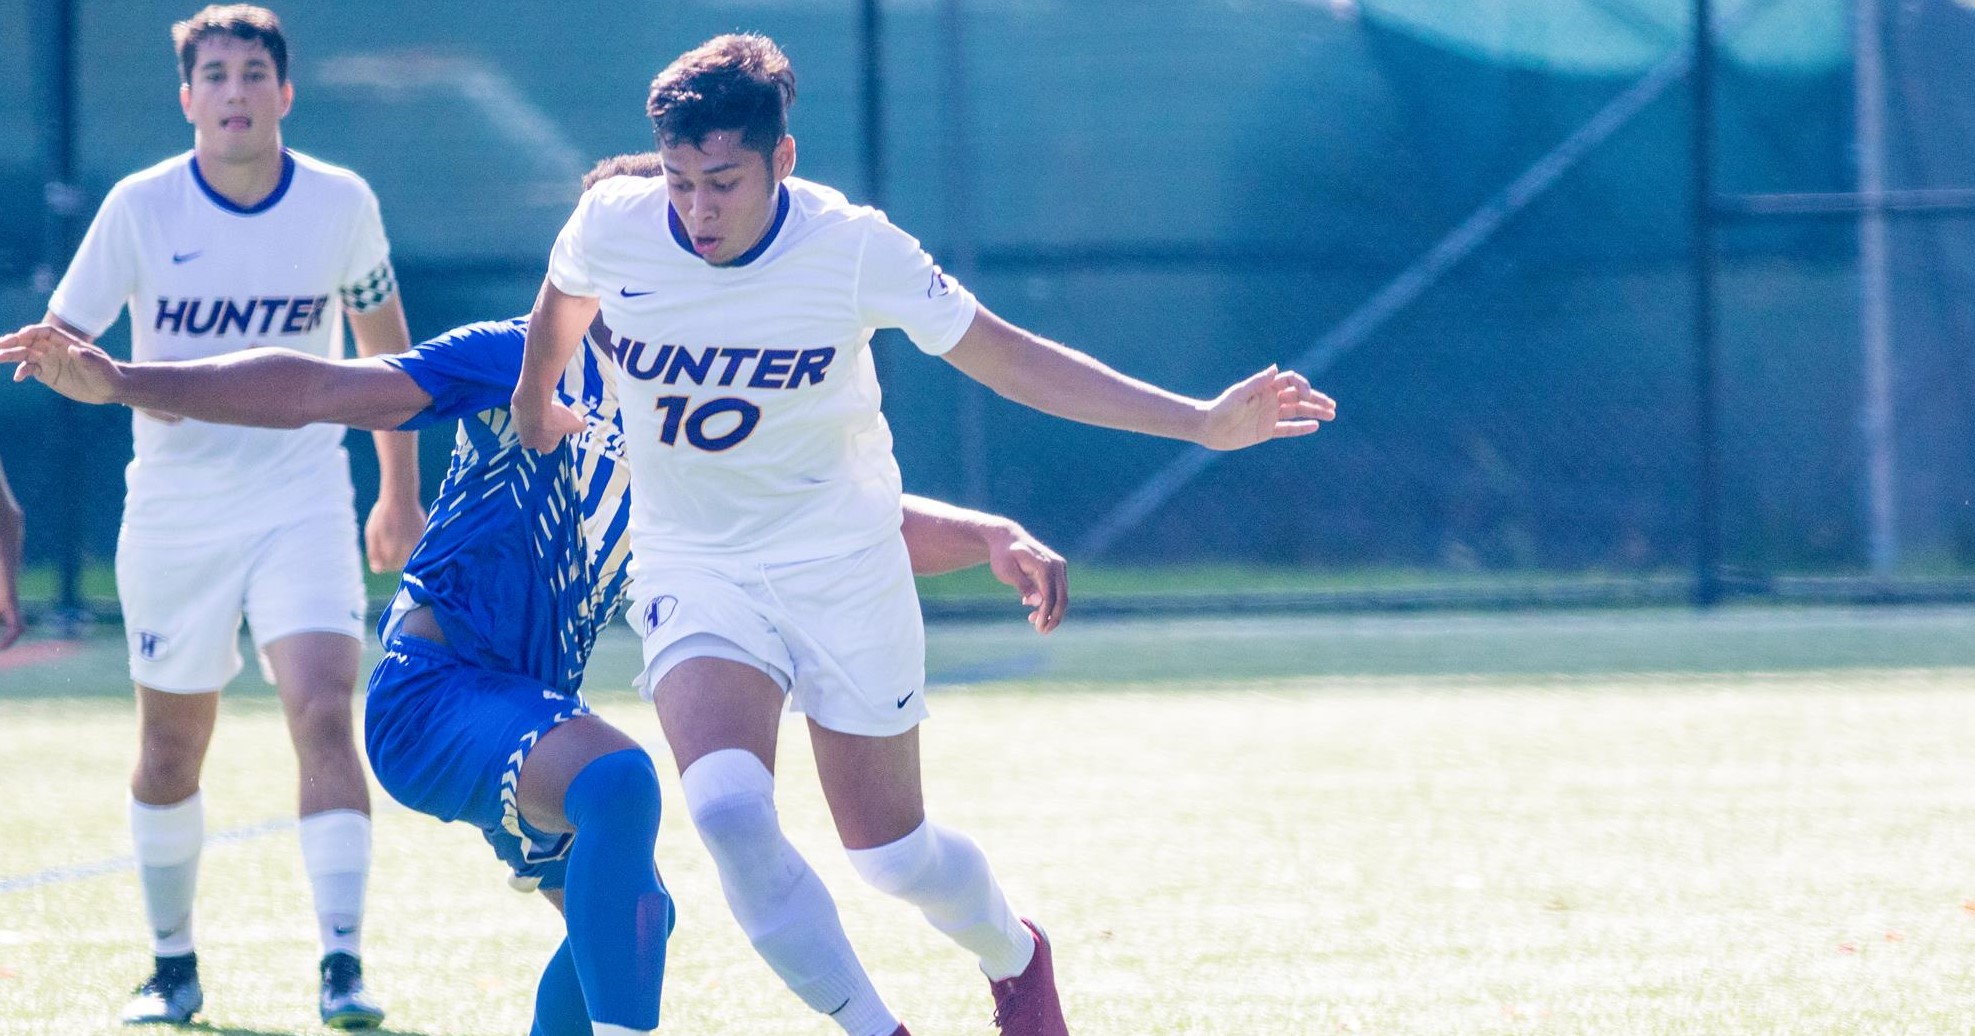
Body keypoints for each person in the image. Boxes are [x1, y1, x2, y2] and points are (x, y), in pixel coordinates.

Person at [2, 153, 1069, 1036]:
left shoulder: (690, 400)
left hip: (526, 713)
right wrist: (134, 380)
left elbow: (828, 524)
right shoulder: (521, 362)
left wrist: (982, 535)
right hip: (434, 690)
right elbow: (324, 388)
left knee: (634, 914)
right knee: (622, 788)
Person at [511, 34, 1336, 1036]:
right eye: (680, 180)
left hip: (846, 572)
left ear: (783, 159)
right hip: (697, 567)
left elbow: (1010, 358)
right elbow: (563, 296)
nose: (696, 208)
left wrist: (1199, 420)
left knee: (891, 856)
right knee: (728, 812)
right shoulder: (614, 220)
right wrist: (534, 392)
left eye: (722, 181)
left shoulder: (853, 247)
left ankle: (1016, 956)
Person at [36, 5, 422, 1027]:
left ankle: (343, 965)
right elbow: (68, 341)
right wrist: (70, 368)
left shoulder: (339, 204)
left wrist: (398, 488)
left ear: (285, 92)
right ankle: (173, 967)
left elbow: (389, 358)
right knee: (170, 746)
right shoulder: (139, 207)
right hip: (174, 511)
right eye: (215, 75)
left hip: (300, 499)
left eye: (255, 73)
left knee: (323, 708)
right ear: (187, 98)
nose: (236, 92)